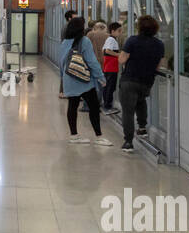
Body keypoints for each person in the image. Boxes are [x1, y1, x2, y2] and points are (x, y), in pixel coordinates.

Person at [60, 16, 111, 146]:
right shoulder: (84, 41)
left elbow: (62, 62)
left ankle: (74, 136)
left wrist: (63, 78)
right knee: (94, 107)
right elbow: (91, 61)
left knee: (72, 106)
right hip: (84, 80)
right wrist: (100, 76)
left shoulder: (65, 42)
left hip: (69, 78)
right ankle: (99, 137)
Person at [118, 14, 166, 152]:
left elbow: (122, 60)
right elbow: (160, 65)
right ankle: (142, 127)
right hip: (147, 81)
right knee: (140, 100)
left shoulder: (132, 40)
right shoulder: (159, 44)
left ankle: (128, 142)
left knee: (128, 111)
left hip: (129, 80)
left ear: (139, 27)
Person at [102, 21, 123, 111]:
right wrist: (119, 55)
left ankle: (106, 104)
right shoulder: (111, 40)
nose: (120, 33)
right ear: (113, 31)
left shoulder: (109, 39)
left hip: (108, 66)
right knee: (110, 87)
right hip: (111, 67)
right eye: (119, 31)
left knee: (107, 86)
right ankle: (107, 106)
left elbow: (104, 51)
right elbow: (107, 51)